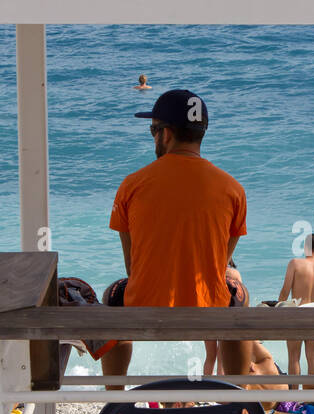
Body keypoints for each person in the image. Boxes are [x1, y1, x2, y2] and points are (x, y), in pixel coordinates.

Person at [105, 88, 252, 383]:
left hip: (144, 305)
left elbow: (131, 266)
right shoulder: (233, 189)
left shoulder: (131, 185)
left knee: (112, 295)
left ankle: (115, 401)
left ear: (166, 133)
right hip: (208, 308)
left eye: (152, 131)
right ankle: (238, 398)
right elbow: (220, 263)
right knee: (241, 298)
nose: (153, 138)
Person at [278, 233, 314, 381]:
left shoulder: (295, 264)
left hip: (296, 316)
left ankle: (293, 399)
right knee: (313, 358)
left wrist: (277, 311)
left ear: (305, 247)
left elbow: (285, 292)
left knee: (293, 358)